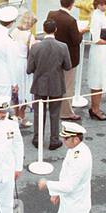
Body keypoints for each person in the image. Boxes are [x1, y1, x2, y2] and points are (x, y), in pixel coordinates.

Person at [32, 120, 92, 213]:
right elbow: (65, 175)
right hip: (69, 202)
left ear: (76, 139)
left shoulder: (80, 157)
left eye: (66, 138)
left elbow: (69, 186)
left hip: (75, 206)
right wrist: (56, 193)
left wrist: (47, 183)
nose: (63, 140)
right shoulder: (75, 150)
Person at [26, 17, 71, 150]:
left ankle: (37, 138)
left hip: (40, 84)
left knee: (38, 113)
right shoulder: (63, 46)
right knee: (55, 113)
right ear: (55, 30)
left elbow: (29, 69)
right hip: (56, 84)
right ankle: (54, 140)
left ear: (44, 30)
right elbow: (67, 66)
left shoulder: (35, 47)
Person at [48, 0, 83, 120]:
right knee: (67, 86)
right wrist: (81, 32)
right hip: (69, 58)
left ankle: (54, 105)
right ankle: (66, 112)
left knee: (56, 83)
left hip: (54, 55)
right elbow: (76, 40)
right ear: (71, 4)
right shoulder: (71, 21)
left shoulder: (51, 14)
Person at [86, 0, 106, 121]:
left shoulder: (101, 15)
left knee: (99, 79)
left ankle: (95, 108)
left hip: (103, 51)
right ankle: (95, 109)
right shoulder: (97, 17)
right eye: (103, 4)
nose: (105, 6)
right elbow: (96, 39)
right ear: (98, 4)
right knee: (97, 80)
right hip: (99, 52)